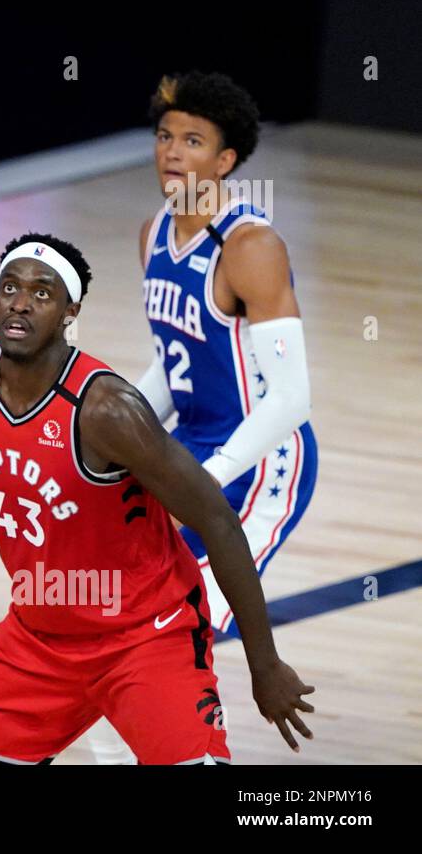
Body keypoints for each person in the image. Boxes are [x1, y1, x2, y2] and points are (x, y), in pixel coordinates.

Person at [0, 232, 315, 765]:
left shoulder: (107, 410)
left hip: (144, 637)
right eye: (9, 287)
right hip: (39, 636)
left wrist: (265, 665)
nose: (20, 302)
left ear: (71, 311)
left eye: (41, 293)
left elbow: (217, 520)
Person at [88, 70, 320, 764]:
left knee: (175, 627)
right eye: (165, 135)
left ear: (225, 161)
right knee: (117, 615)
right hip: (190, 448)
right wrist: (114, 423)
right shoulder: (153, 232)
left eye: (193, 140)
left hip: (262, 462)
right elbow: (175, 358)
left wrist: (203, 478)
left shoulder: (250, 248)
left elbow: (291, 401)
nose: (173, 151)